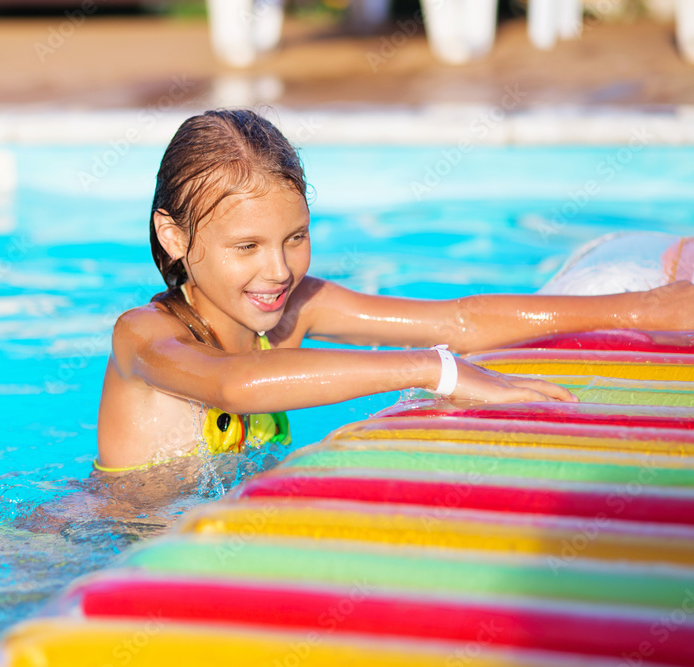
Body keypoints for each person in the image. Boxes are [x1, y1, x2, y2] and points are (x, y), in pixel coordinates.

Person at [95, 108, 694, 474]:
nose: (278, 271)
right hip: (94, 549)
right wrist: (437, 373)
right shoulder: (141, 337)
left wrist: (640, 308)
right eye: (246, 247)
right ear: (173, 236)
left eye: (295, 237)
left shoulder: (289, 313)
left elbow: (457, 322)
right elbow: (233, 386)